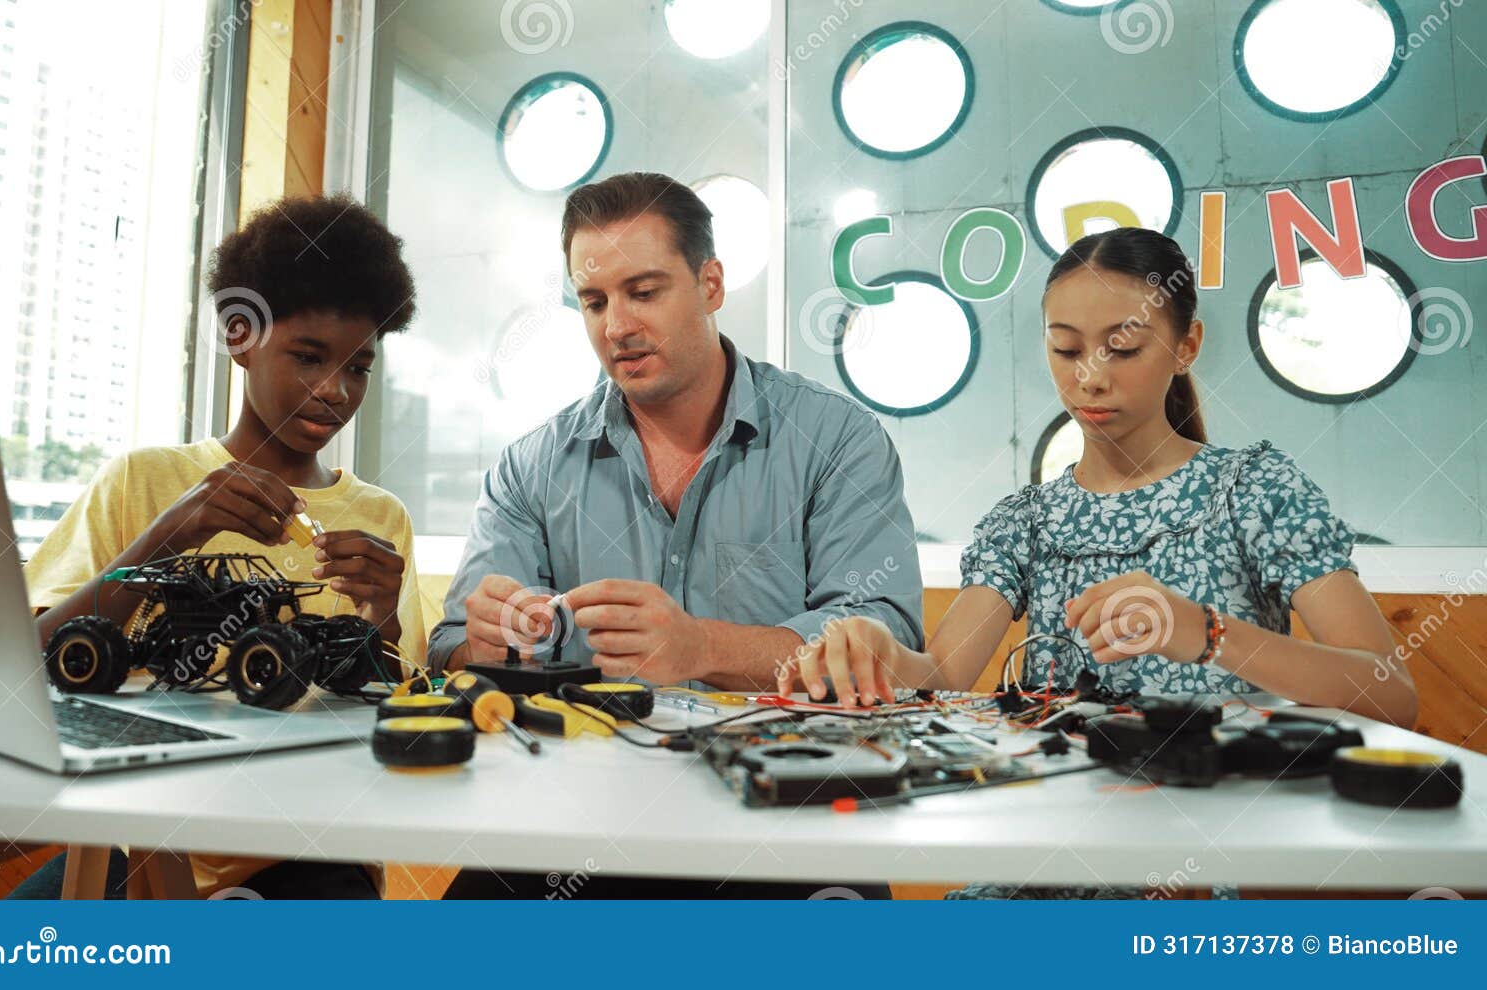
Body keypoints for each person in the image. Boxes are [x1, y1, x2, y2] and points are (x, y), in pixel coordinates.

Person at [429, 171, 923, 898]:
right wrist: (494, 637)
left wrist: (702, 647)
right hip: (571, 826)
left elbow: (879, 642)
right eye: (593, 301)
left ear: (712, 285)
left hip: (786, 818)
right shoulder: (532, 466)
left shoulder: (835, 440)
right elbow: (454, 650)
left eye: (644, 291)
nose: (616, 325)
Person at [784, 225, 1417, 729]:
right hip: (1051, 844)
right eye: (1065, 349)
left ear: (1185, 346)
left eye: (1123, 347)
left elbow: (1390, 695)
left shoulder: (1253, 491)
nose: (1090, 375)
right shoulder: (1025, 521)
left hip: (1209, 844)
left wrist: (1204, 633)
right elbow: (943, 675)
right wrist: (877, 647)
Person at [13, 194, 437, 900]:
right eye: (308, 356)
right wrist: (164, 538)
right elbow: (23, 671)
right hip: (136, 840)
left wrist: (385, 622)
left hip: (309, 855)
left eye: (358, 367)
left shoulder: (378, 519)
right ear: (240, 336)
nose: (334, 391)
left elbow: (407, 718)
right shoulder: (144, 483)